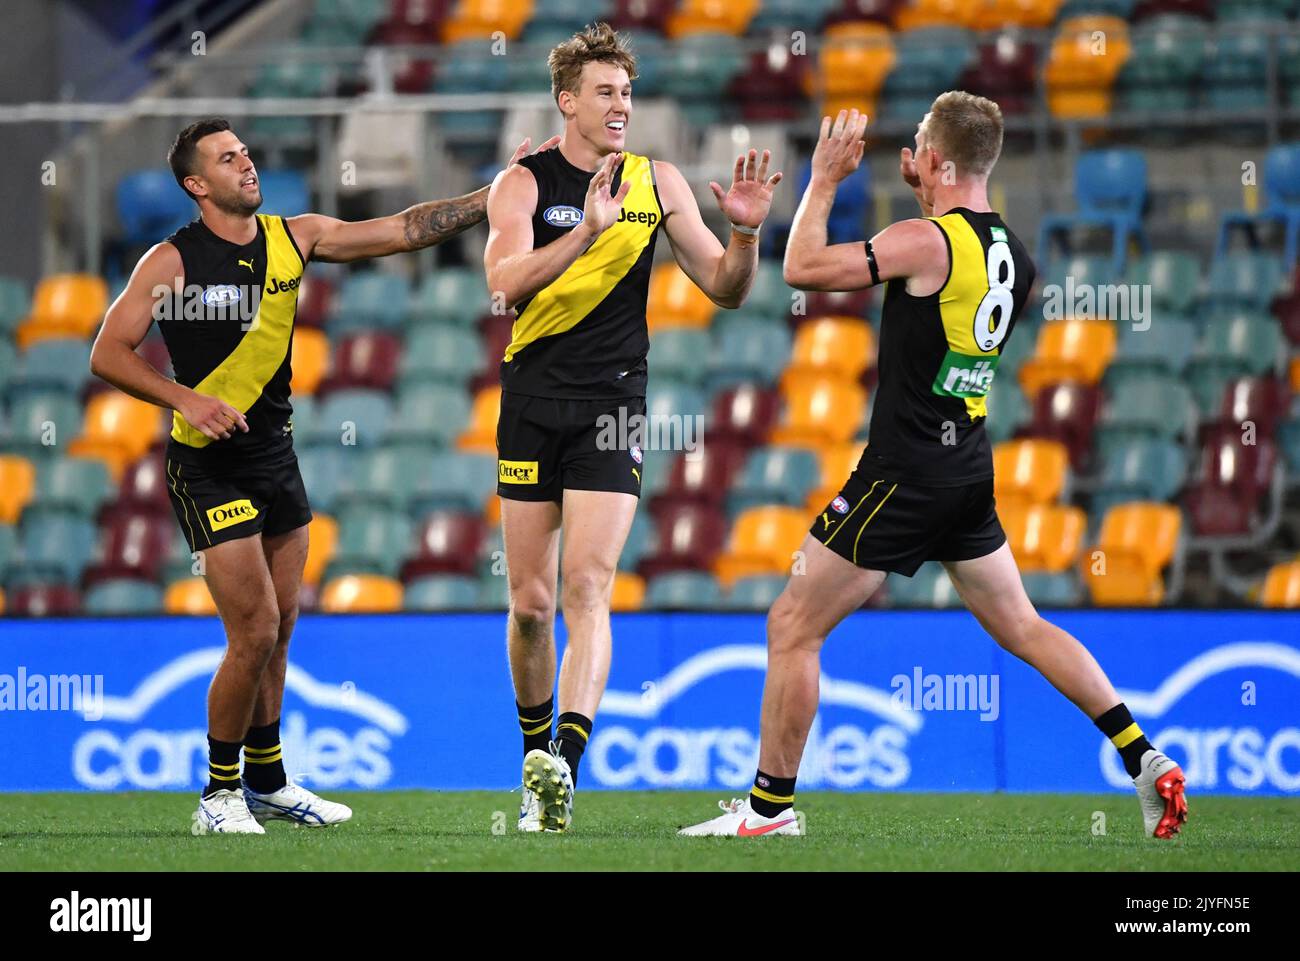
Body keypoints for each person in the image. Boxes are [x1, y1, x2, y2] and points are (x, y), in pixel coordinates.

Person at [679, 95, 1188, 841]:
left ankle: (768, 811)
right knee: (1023, 624)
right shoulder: (1015, 251)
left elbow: (802, 267)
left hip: (904, 470)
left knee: (791, 624)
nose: (909, 151)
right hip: (964, 466)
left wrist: (823, 180)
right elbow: (948, 292)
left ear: (943, 162)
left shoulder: (924, 239)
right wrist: (929, 194)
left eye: (920, 144)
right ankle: (1143, 757)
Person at [89, 117, 555, 833]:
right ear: (195, 184)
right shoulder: (169, 262)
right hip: (207, 466)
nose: (246, 163)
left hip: (276, 456)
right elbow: (107, 353)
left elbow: (402, 230)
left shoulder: (295, 236)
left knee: (280, 629)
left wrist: (492, 195)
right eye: (227, 158)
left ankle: (269, 780)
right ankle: (217, 795)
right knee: (253, 630)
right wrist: (187, 398)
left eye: (246, 150)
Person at [484, 23, 782, 832]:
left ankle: (563, 773)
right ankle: (533, 754)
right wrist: (587, 228)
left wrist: (748, 232)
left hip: (614, 405)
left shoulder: (659, 180)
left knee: (587, 587)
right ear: (567, 101)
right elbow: (503, 282)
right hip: (532, 404)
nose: (621, 106)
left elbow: (724, 286)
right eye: (605, 93)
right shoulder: (521, 183)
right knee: (531, 606)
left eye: (627, 92)